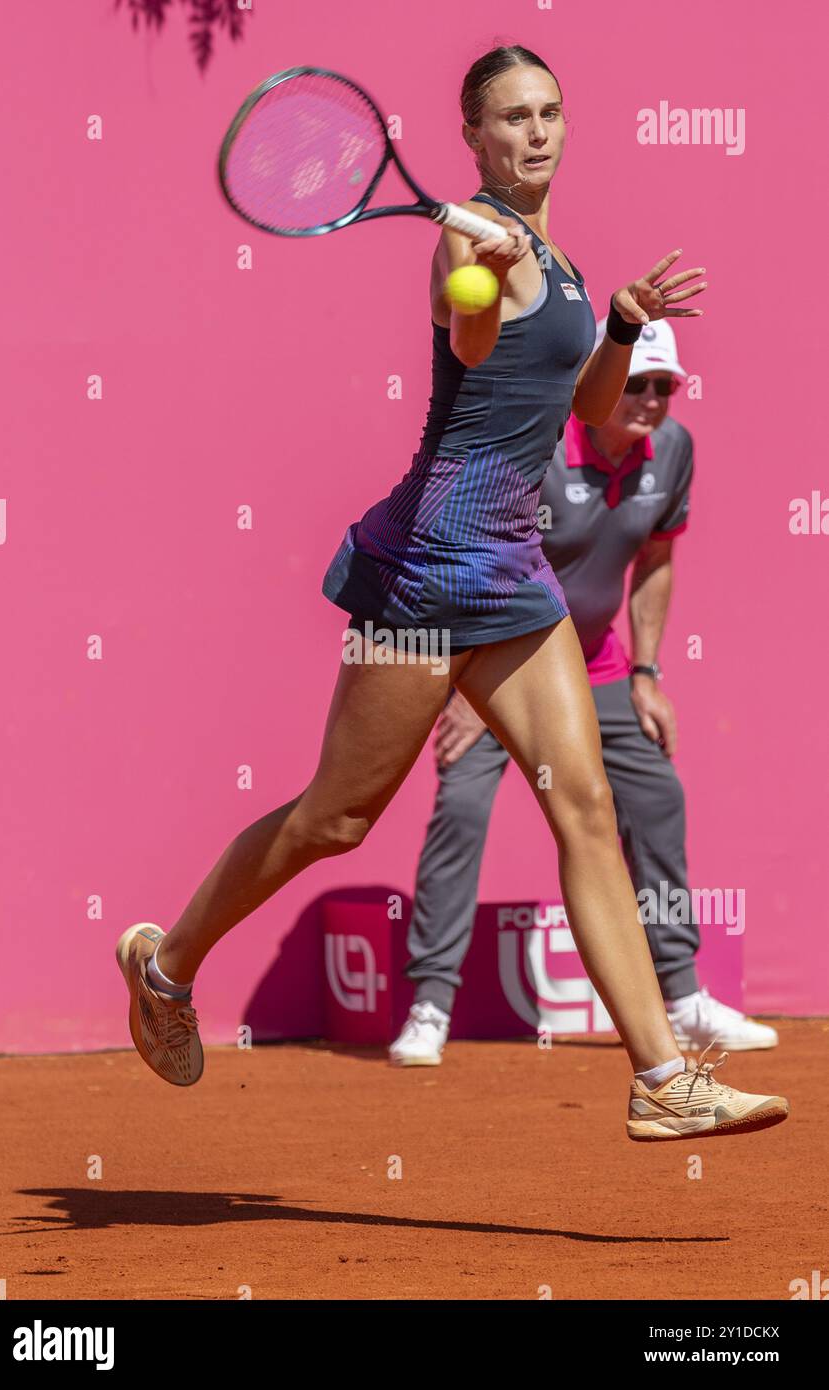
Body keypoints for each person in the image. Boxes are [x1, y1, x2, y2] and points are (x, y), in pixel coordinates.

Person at [116, 44, 788, 1142]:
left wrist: (616, 321)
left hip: (513, 572)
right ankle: (167, 963)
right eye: (511, 117)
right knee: (332, 820)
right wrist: (471, 284)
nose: (535, 132)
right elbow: (471, 342)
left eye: (549, 112)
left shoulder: (559, 259)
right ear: (470, 137)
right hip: (429, 569)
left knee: (584, 807)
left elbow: (584, 401)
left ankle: (662, 1076)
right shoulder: (460, 239)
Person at [390, 318, 778, 1066]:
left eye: (665, 386)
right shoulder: (535, 452)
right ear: (598, 386)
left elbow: (656, 560)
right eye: (636, 383)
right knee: (462, 806)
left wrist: (646, 672)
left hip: (596, 667)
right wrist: (469, 683)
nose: (652, 400)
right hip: (500, 666)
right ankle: (431, 1004)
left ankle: (685, 997)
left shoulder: (674, 451)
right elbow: (475, 562)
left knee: (656, 795)